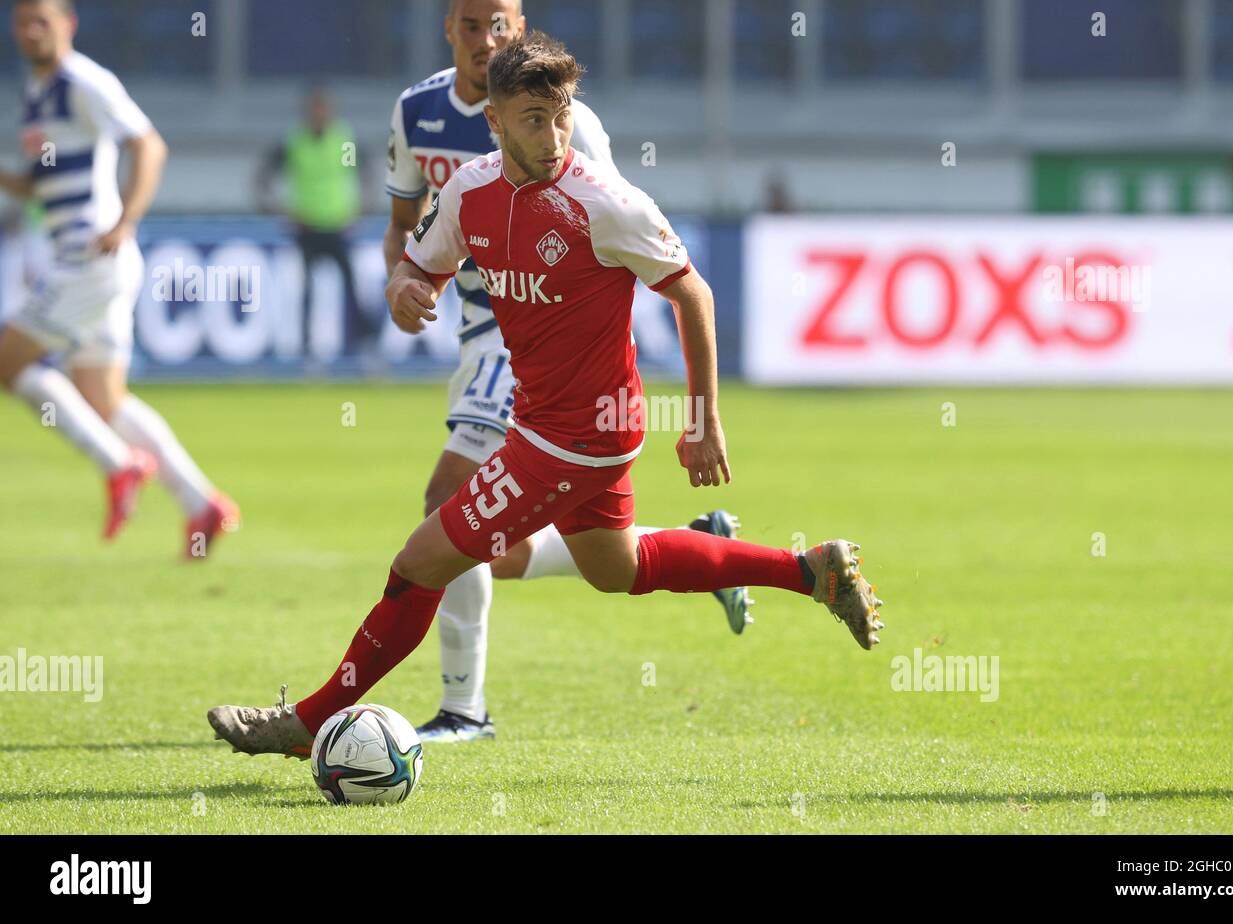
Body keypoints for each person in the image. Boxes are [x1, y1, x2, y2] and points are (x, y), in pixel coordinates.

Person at [207, 33, 885, 759]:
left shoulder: (604, 201)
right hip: (557, 425)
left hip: (573, 438)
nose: (554, 133)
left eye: (562, 114)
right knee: (616, 568)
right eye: (534, 118)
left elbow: (694, 292)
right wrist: (408, 289)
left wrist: (703, 419)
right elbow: (419, 264)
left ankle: (309, 720)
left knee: (421, 559)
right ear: (494, 122)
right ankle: (809, 570)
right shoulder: (468, 191)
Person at [382, 0, 748, 745]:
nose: (489, 41)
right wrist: (405, 284)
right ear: (448, 29)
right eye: (473, 26)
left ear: (521, 26)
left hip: (535, 340)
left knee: (444, 504)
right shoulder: (415, 112)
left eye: (502, 24)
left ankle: (463, 710)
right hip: (481, 331)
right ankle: (701, 544)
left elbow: (603, 225)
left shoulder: (564, 120)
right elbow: (404, 228)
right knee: (509, 552)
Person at [0, 0, 237, 557]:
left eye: (43, 21)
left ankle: (119, 463)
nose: (32, 32)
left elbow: (148, 143)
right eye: (22, 23)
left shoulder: (84, 79)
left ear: (67, 25)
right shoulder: (36, 96)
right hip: (87, 260)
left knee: (8, 362)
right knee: (103, 400)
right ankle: (201, 503)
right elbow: (39, 186)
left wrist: (127, 219)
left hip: (90, 256)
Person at [257, 86, 373, 358]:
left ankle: (364, 348)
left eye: (324, 109)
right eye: (315, 109)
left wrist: (359, 211)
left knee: (352, 290)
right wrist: (282, 212)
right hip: (307, 227)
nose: (320, 115)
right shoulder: (294, 141)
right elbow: (262, 180)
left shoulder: (343, 140)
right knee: (308, 292)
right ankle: (308, 352)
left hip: (338, 226)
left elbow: (365, 174)